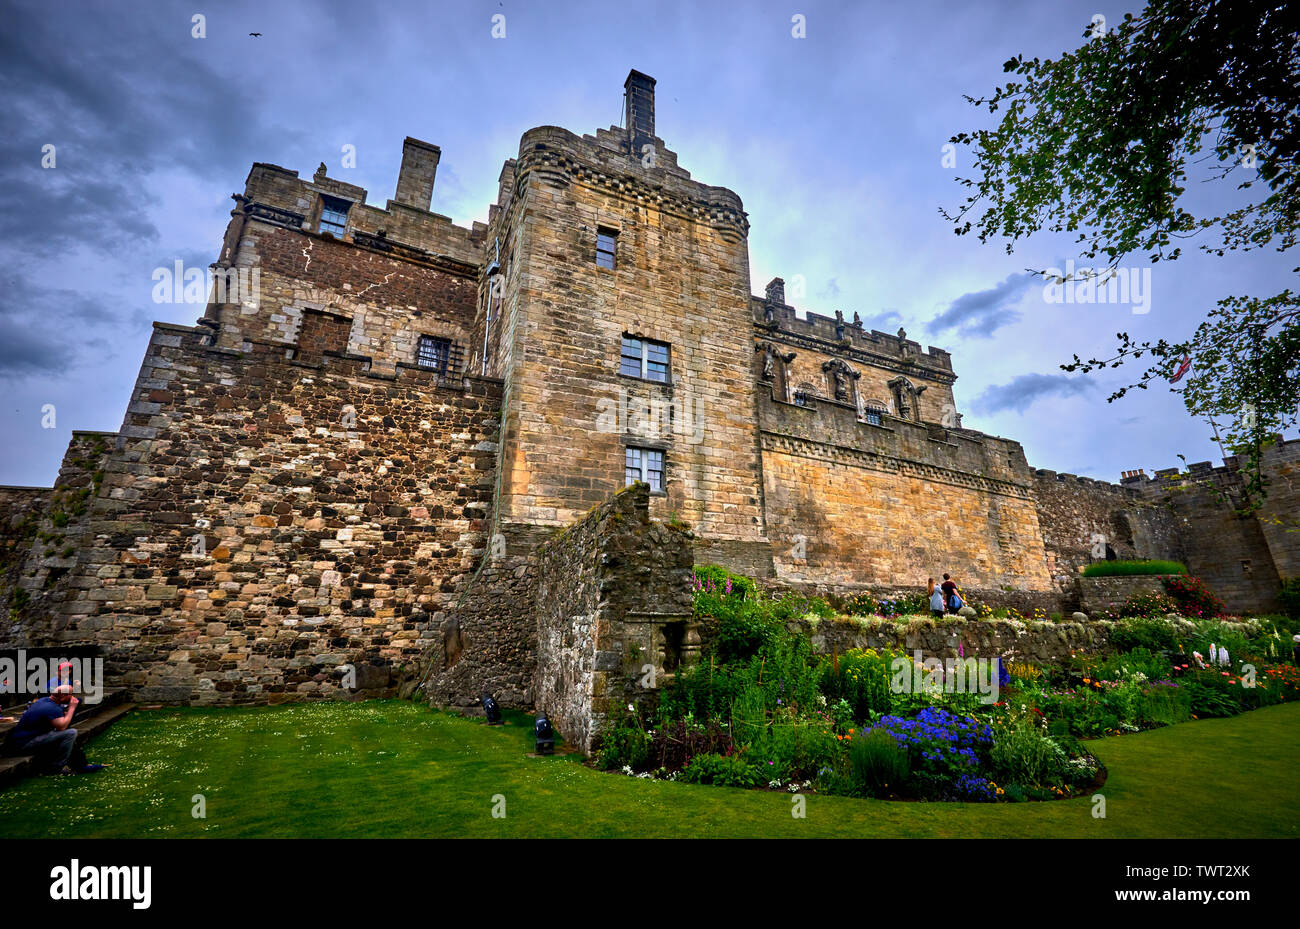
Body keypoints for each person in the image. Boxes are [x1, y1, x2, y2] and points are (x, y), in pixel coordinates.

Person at [0, 685, 105, 775]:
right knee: (70, 733)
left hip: (25, 740)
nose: (72, 697)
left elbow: (61, 721)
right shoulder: (51, 708)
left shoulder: (44, 701)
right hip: (25, 744)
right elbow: (62, 726)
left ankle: (79, 764)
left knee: (64, 734)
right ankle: (56, 768)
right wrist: (72, 708)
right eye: (70, 694)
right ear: (63, 696)